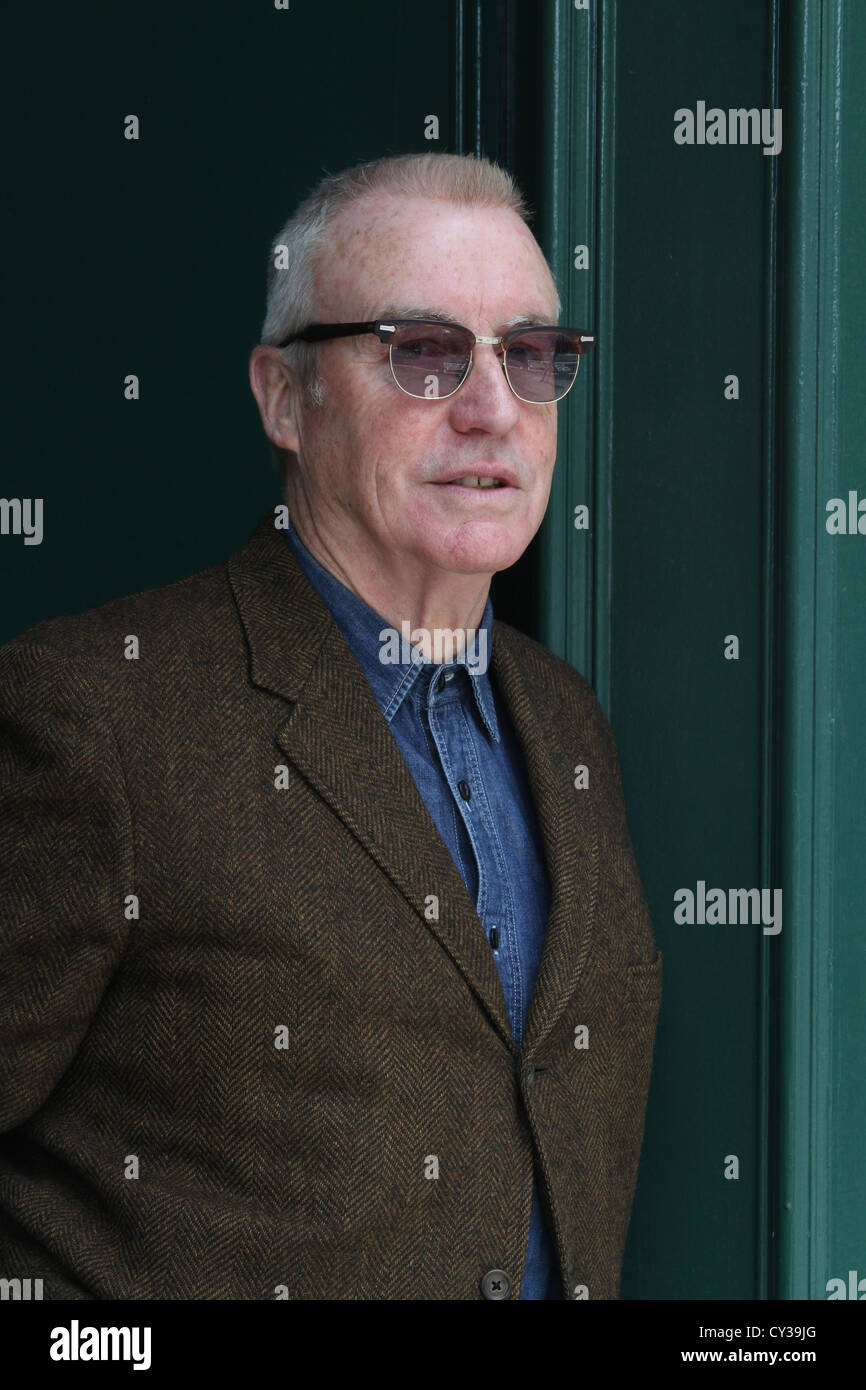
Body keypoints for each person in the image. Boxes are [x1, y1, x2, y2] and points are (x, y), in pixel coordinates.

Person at [0, 151, 661, 1300]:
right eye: (423, 354)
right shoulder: (95, 712)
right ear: (282, 394)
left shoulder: (566, 726)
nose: (492, 407)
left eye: (528, 354)